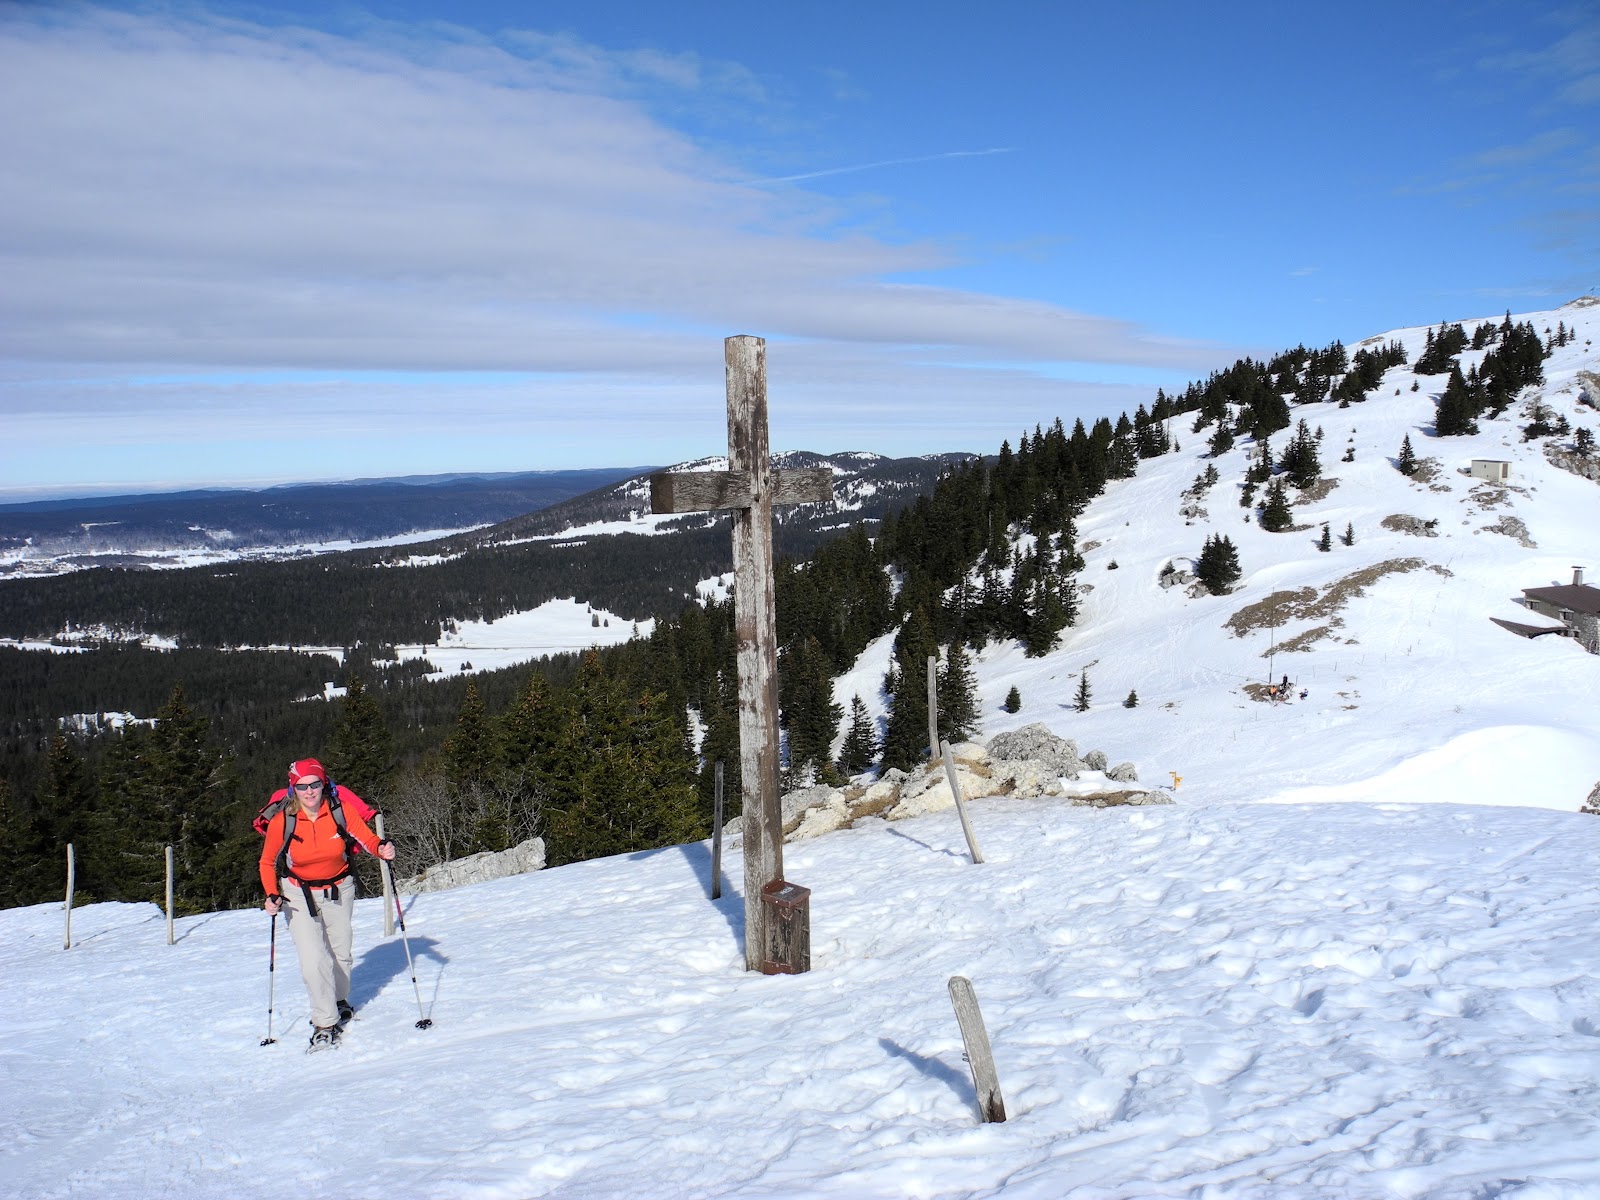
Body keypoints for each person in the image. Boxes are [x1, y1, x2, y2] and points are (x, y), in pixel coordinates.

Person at [260, 758, 394, 1050]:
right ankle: (324, 1022)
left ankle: (338, 999)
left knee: (340, 952)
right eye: (302, 786)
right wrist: (272, 894)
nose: (309, 792)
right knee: (314, 959)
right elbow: (268, 861)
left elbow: (367, 839)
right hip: (296, 893)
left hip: (339, 888)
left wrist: (381, 848)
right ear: (293, 788)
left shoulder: (339, 811)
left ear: (324, 784)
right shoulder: (284, 820)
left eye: (315, 784)